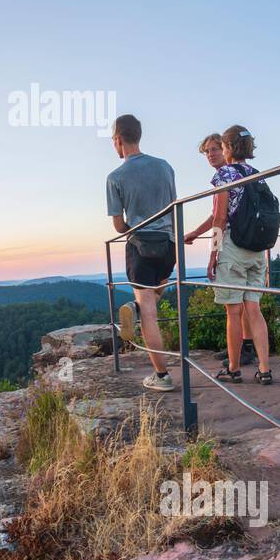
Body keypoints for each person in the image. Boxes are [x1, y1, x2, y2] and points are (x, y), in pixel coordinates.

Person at [185, 125, 273, 384]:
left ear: (229, 148)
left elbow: (221, 217)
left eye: (219, 147)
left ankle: (233, 369)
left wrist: (213, 254)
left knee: (233, 312)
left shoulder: (224, 175)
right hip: (256, 249)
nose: (216, 152)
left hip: (233, 248)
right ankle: (265, 370)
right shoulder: (256, 174)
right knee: (254, 310)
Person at [106, 113, 178, 392]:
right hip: (168, 244)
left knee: (148, 310)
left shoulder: (115, 177)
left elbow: (118, 224)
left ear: (118, 140)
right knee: (158, 290)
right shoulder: (165, 167)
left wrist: (132, 231)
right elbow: (173, 206)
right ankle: (135, 307)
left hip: (140, 246)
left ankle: (161, 377)